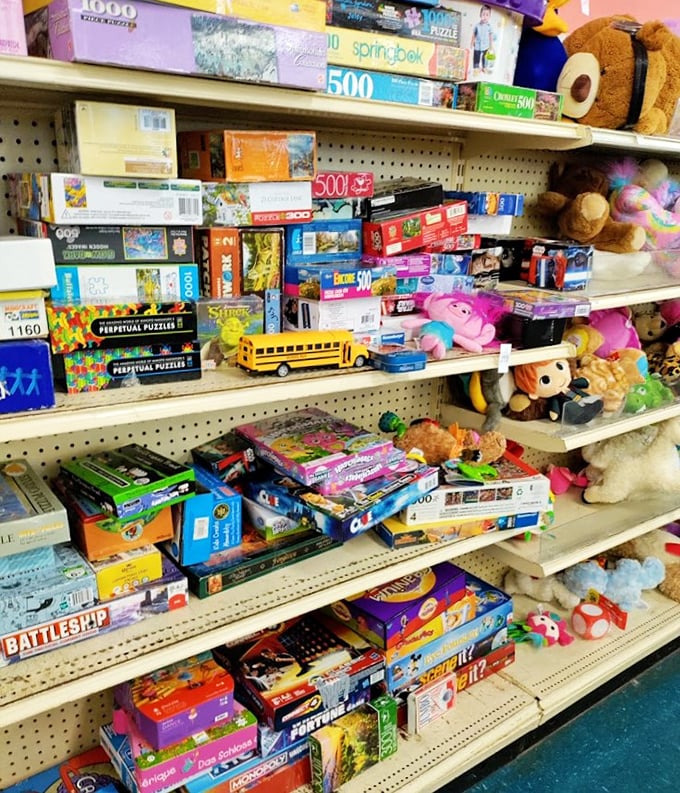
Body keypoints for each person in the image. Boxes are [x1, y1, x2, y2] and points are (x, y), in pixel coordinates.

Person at [471, 4, 495, 75]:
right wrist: (472, 42)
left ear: (489, 16)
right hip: (477, 44)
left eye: (487, 15)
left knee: (485, 57)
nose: (485, 17)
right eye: (483, 14)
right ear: (480, 15)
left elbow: (490, 36)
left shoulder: (489, 27)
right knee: (476, 57)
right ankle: (476, 68)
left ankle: (484, 67)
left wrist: (491, 45)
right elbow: (474, 34)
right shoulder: (477, 25)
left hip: (486, 45)